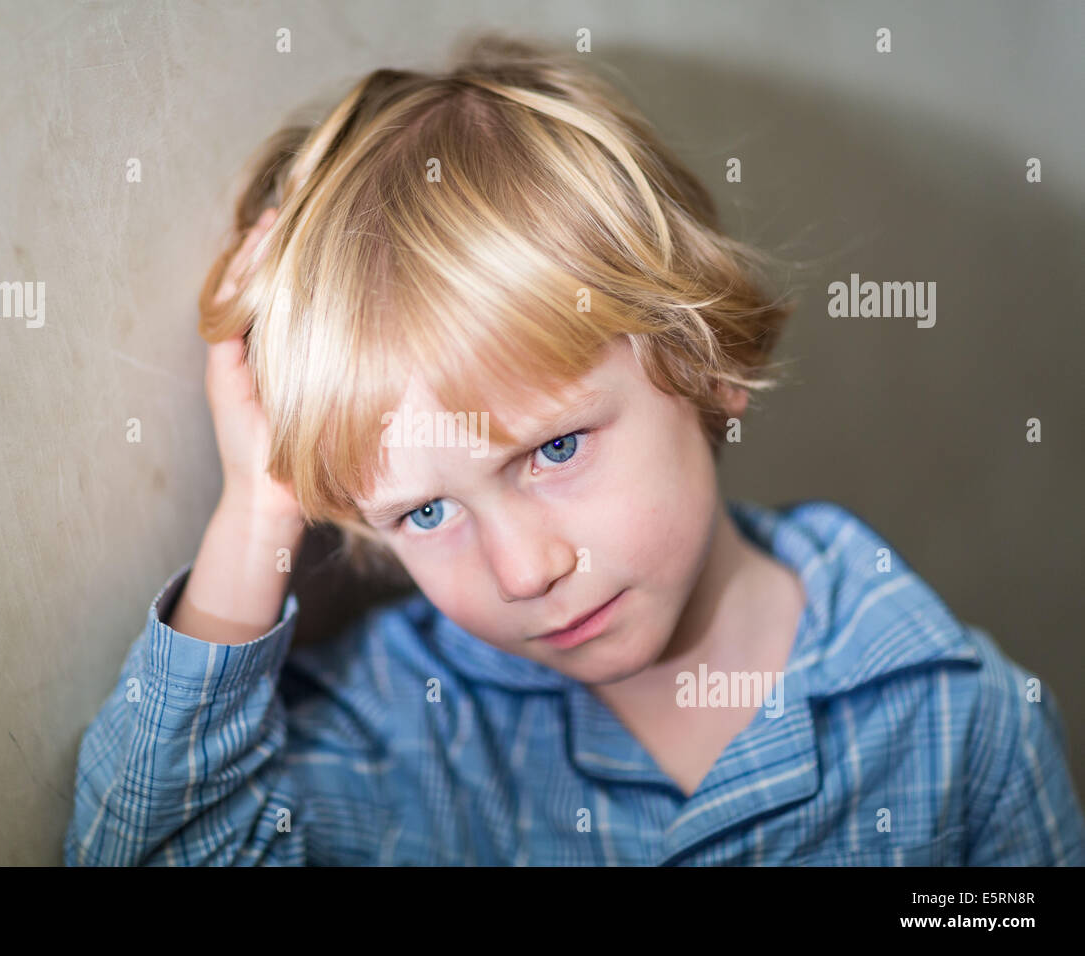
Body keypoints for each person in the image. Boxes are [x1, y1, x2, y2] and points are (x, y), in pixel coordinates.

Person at [65, 34, 1084, 865]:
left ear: (705, 358)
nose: (524, 570)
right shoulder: (399, 733)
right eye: (426, 511)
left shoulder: (958, 730)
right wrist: (256, 509)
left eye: (553, 449)